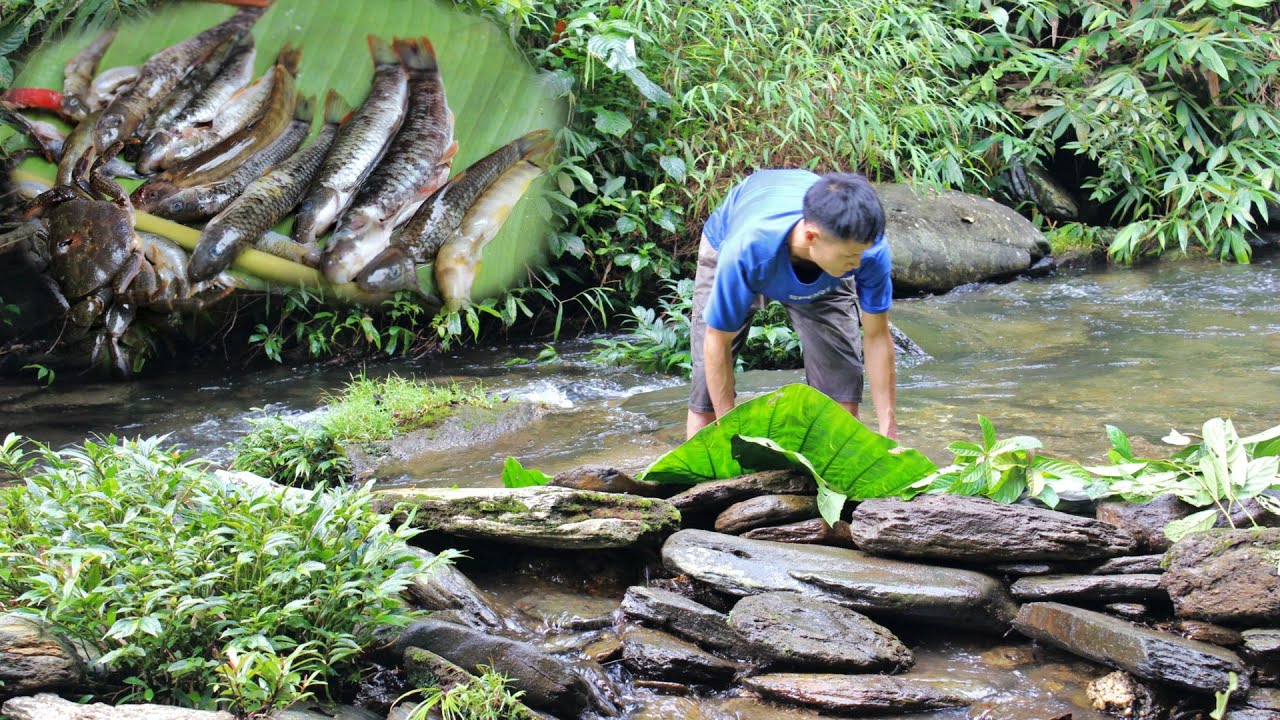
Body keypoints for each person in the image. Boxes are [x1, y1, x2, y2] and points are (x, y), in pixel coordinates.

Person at [686, 169, 897, 440]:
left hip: (828, 268)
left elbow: (877, 336)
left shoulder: (865, 250)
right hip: (740, 243)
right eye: (851, 256)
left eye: (862, 254)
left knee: (841, 400)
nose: (858, 266)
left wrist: (889, 432)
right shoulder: (746, 249)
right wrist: (734, 437)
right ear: (811, 237)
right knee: (706, 403)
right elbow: (717, 340)